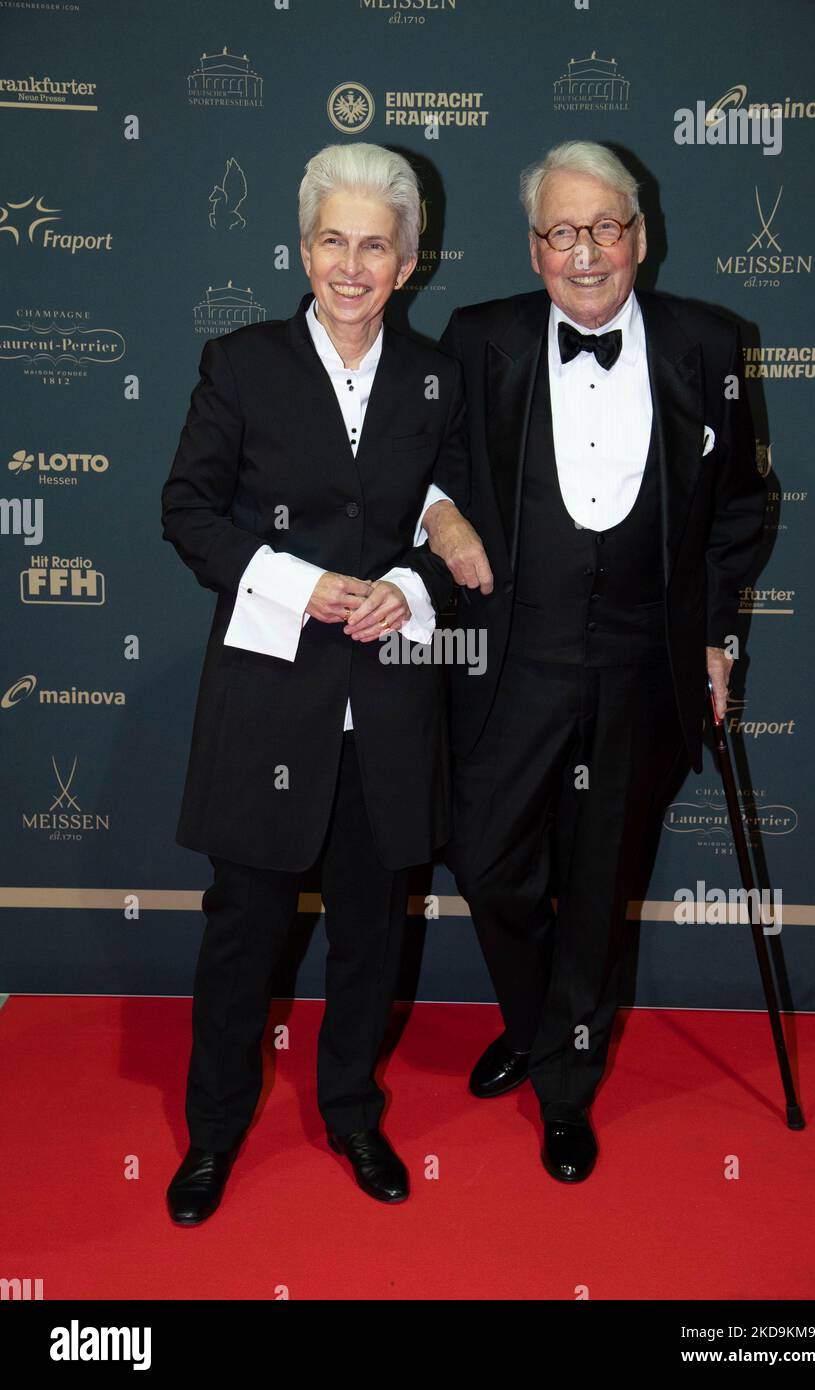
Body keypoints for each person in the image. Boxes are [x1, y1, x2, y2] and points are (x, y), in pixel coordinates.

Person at [421, 141, 766, 1183]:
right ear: (534, 249)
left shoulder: (708, 343)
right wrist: (441, 523)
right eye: (562, 232)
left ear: (638, 236)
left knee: (598, 874)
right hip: (508, 660)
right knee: (484, 857)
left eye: (604, 228)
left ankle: (564, 1086)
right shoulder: (479, 341)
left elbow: (741, 507)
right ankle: (536, 1020)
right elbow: (422, 469)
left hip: (637, 666)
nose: (585, 252)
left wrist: (713, 632)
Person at [161, 142, 469, 1222]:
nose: (350, 265)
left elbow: (452, 524)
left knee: (371, 928)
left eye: (374, 245)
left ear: (408, 260)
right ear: (302, 248)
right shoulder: (240, 363)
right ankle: (212, 1134)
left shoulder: (437, 379)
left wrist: (405, 584)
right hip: (269, 701)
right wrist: (303, 584)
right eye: (332, 241)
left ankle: (350, 1113)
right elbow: (189, 513)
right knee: (243, 927)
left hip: (384, 704)